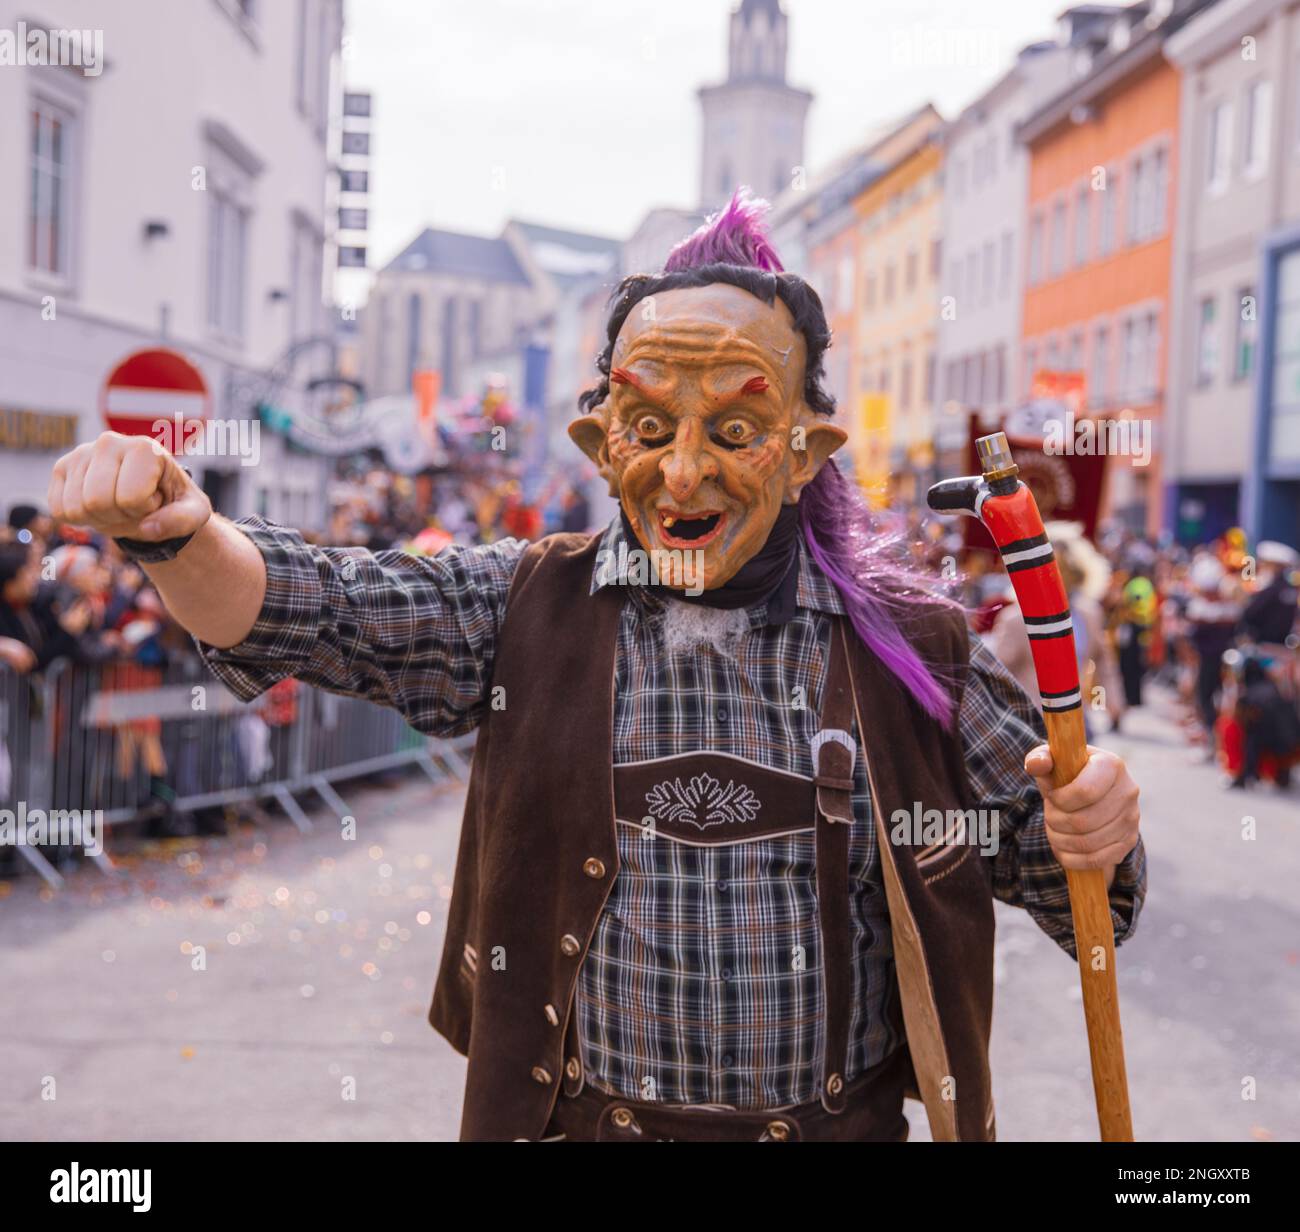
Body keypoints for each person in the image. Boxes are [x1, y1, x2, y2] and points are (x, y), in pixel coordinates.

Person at [47, 190, 1146, 1143]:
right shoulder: (527, 605)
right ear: (598, 436)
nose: (681, 468)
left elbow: (1078, 877)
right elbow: (314, 610)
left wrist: (1093, 826)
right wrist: (177, 536)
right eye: (649, 419)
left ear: (808, 450)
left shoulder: (914, 649)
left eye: (733, 428)